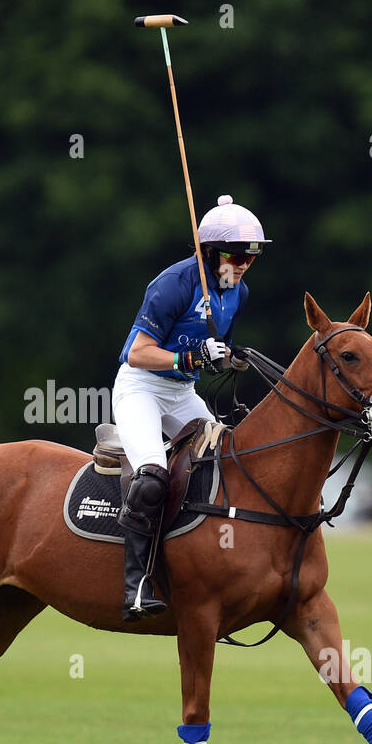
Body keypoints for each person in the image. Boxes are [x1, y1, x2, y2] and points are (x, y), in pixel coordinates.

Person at [112, 195, 269, 620]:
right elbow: (138, 354)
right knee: (151, 477)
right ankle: (137, 585)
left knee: (227, 461)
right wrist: (189, 358)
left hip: (182, 394)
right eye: (236, 258)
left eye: (250, 260)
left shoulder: (239, 292)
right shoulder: (174, 284)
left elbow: (216, 349)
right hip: (142, 388)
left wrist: (227, 358)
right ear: (210, 252)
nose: (242, 267)